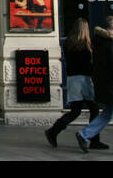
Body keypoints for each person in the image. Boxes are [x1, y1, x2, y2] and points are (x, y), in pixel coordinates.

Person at [75, 15, 113, 156]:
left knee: (107, 114)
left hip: (104, 84)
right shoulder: (111, 44)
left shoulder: (99, 42)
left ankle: (84, 135)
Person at [44, 18, 104, 149]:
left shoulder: (68, 43)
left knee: (75, 111)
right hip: (85, 80)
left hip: (73, 79)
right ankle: (93, 139)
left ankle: (53, 131)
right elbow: (88, 66)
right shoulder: (86, 45)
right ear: (85, 29)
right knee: (94, 109)